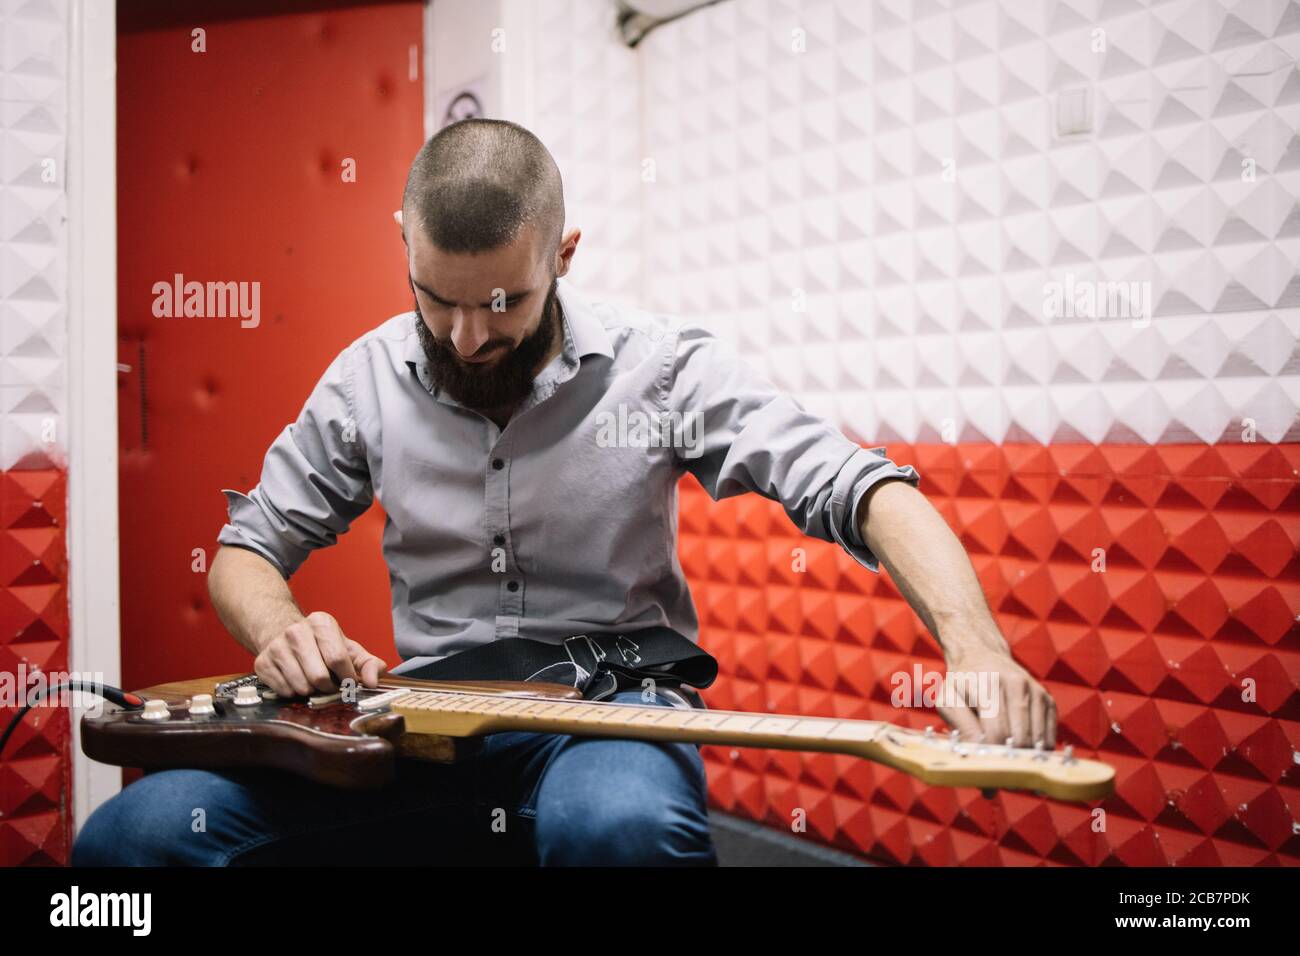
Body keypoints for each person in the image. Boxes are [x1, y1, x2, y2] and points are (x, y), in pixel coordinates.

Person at [73, 118, 1056, 866]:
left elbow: (864, 486)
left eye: (501, 303)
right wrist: (278, 628)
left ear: (563, 254)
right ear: (403, 244)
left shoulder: (660, 367)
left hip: (609, 717)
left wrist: (977, 650)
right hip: (425, 726)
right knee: (135, 834)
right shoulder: (364, 378)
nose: (465, 338)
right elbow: (247, 550)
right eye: (435, 299)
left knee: (618, 828)